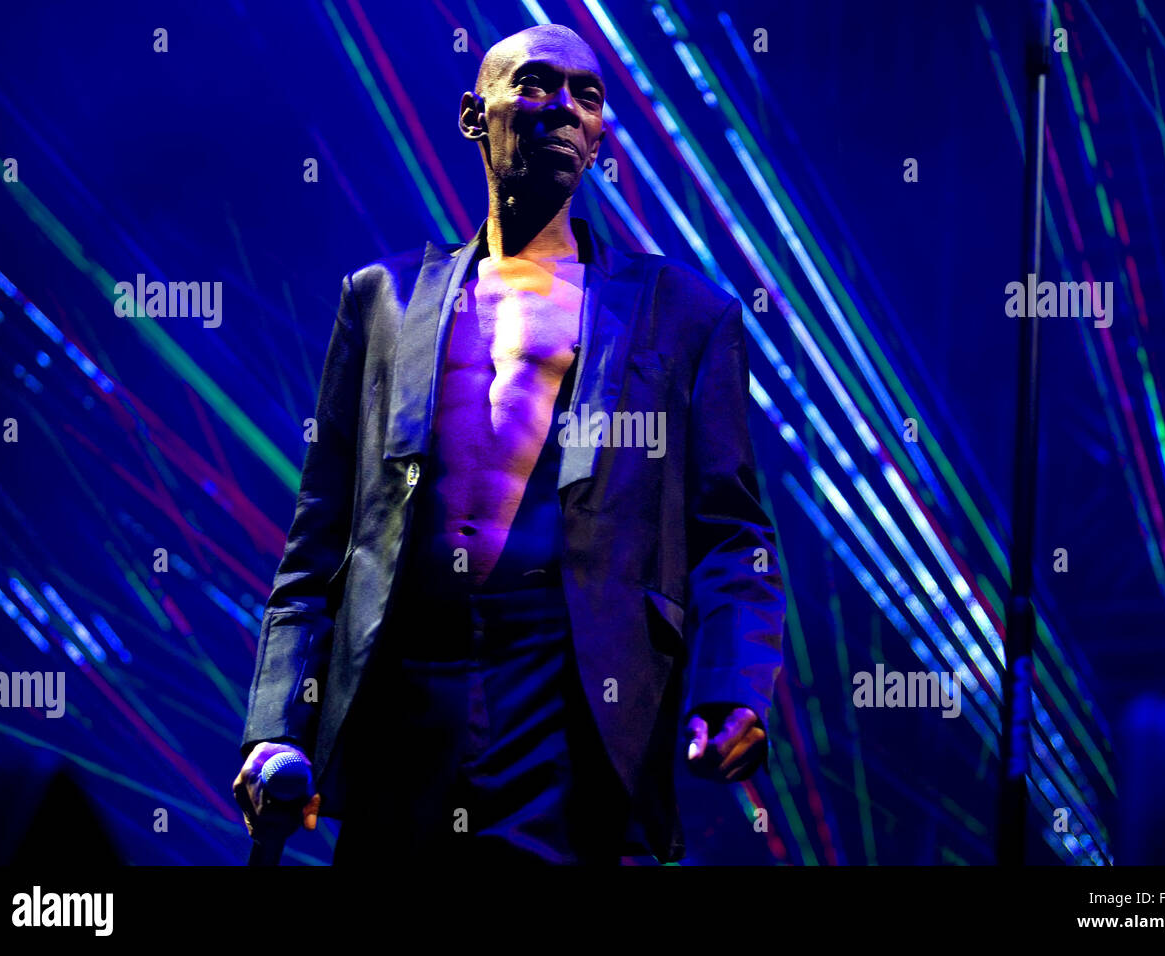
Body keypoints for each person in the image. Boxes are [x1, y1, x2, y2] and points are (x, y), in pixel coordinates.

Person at [232, 22, 785, 865]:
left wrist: (734, 689)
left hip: (567, 698)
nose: (562, 106)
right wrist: (276, 729)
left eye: (587, 94)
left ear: (600, 134)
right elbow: (319, 543)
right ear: (471, 114)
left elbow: (734, 535)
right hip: (405, 698)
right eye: (534, 83)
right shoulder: (384, 300)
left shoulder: (685, 314)